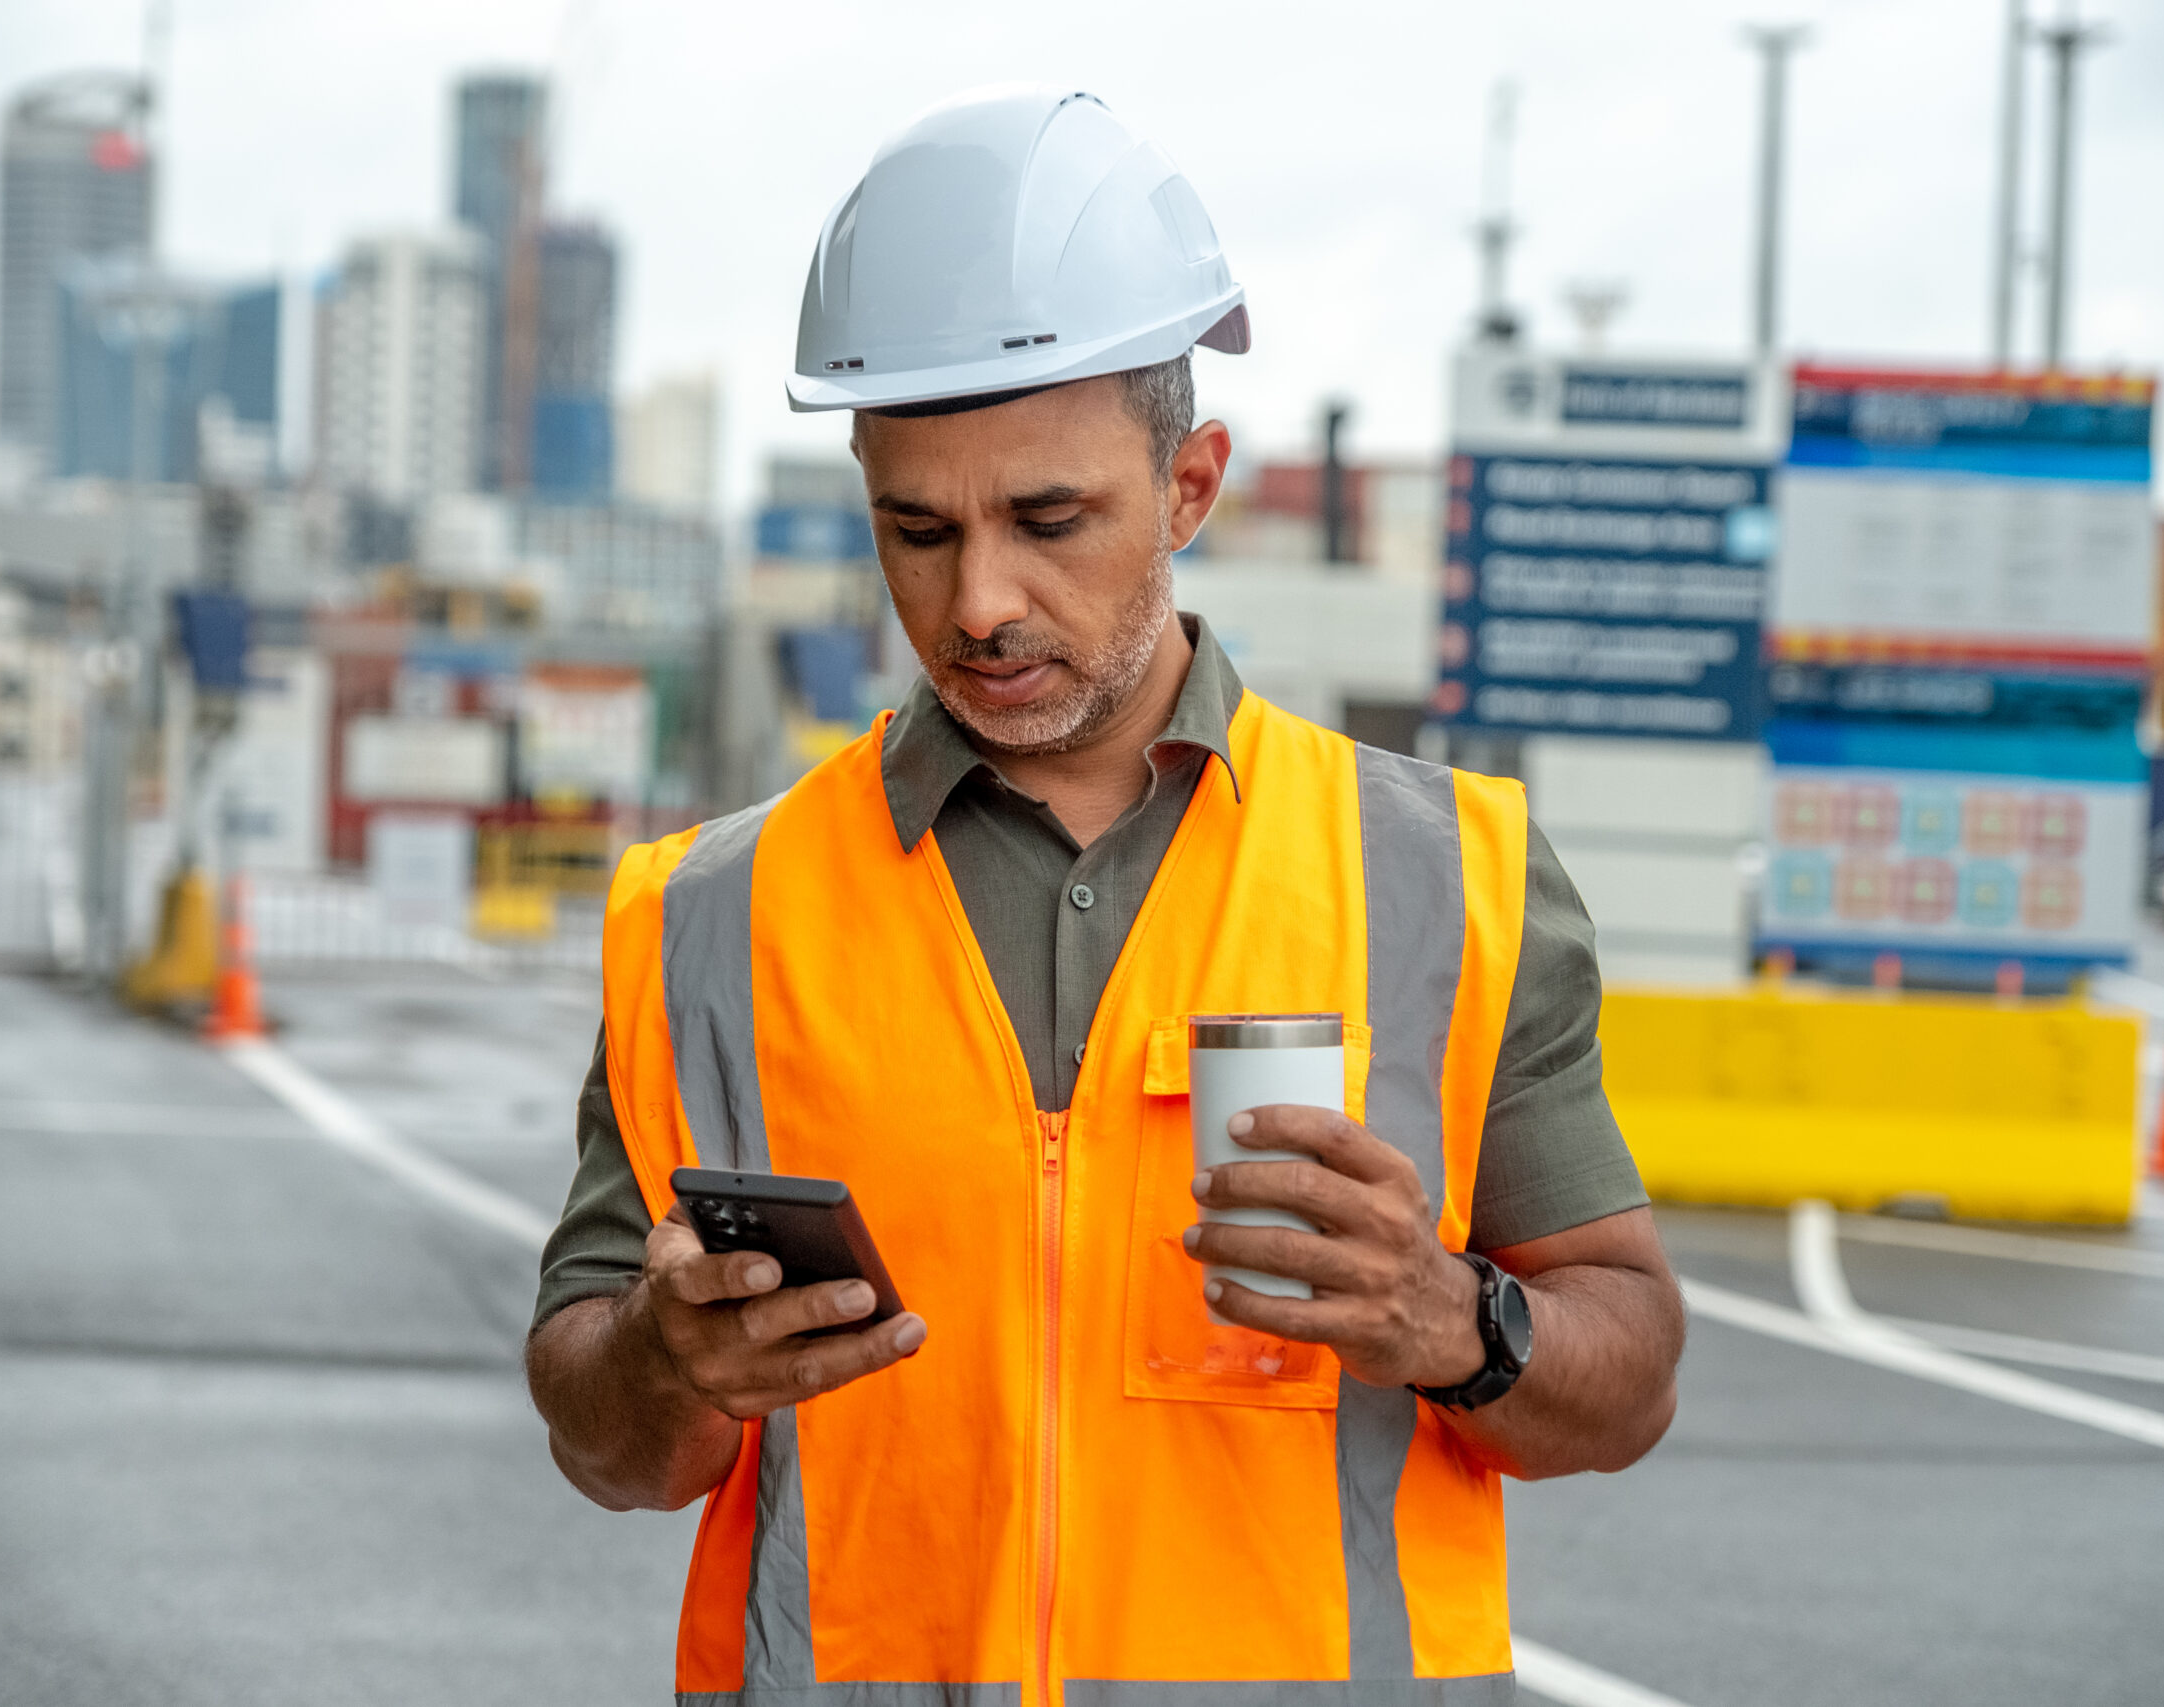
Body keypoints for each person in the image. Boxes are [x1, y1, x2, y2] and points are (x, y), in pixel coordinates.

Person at [528, 86, 1685, 1707]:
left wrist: (1454, 1319)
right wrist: (667, 1366)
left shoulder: (1446, 877)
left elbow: (1627, 1374)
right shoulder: (708, 917)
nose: (978, 601)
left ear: (1192, 486)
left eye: (1049, 521)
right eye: (914, 531)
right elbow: (602, 1432)